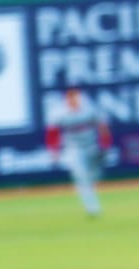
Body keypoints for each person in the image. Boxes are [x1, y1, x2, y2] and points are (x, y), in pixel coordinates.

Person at [45, 87, 113, 218]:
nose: (73, 101)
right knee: (81, 177)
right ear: (66, 100)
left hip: (92, 146)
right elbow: (52, 133)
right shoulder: (60, 113)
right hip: (73, 149)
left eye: (76, 98)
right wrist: (54, 151)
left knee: (94, 176)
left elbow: (102, 126)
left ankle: (92, 195)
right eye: (70, 98)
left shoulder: (89, 109)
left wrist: (105, 145)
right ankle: (92, 208)